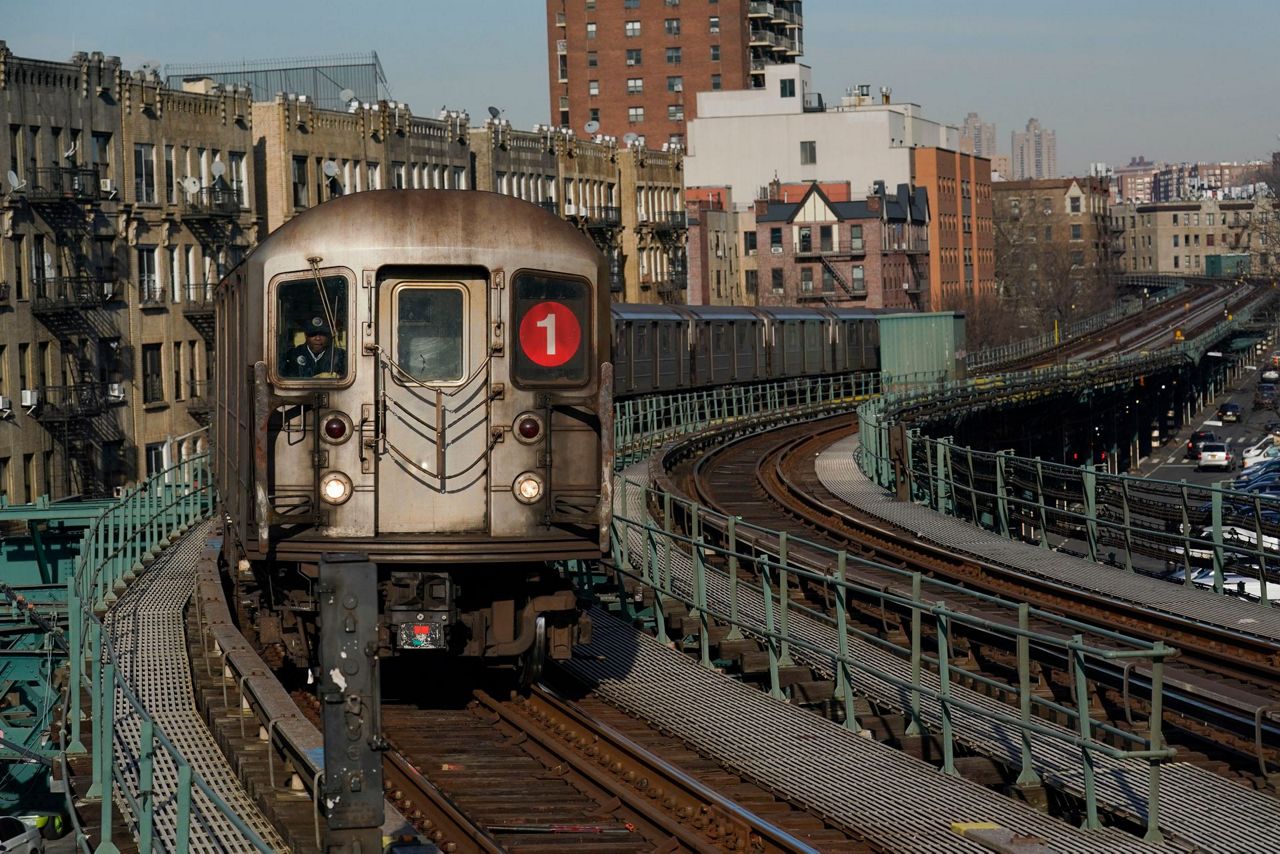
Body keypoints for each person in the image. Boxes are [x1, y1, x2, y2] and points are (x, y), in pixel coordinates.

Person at [282, 315, 347, 378]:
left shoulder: (340, 355)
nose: (318, 338)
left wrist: (339, 378)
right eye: (312, 334)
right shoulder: (293, 355)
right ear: (306, 336)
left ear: (328, 336)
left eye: (322, 334)